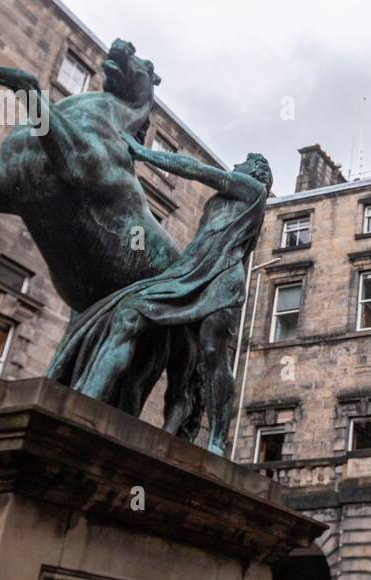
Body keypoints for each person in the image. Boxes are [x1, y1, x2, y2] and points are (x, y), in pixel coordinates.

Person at [47, 141, 272, 454]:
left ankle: (217, 439)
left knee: (211, 352)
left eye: (244, 163)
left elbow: (197, 170)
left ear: (257, 173)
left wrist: (143, 153)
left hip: (222, 279)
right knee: (128, 314)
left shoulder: (253, 191)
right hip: (187, 275)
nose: (236, 166)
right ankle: (86, 398)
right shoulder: (225, 201)